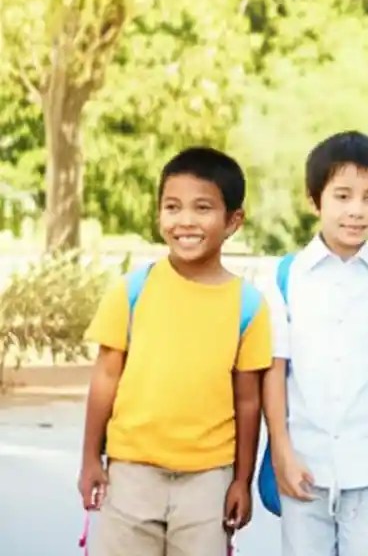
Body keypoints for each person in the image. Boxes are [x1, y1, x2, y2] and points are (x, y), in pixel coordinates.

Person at [78, 147, 272, 555]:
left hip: (208, 481)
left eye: (202, 208)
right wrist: (91, 458)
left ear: (233, 220)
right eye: (172, 207)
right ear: (159, 215)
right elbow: (105, 378)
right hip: (131, 473)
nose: (185, 220)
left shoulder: (248, 306)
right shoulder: (132, 290)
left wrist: (242, 480)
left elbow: (249, 401)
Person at [261, 131, 368, 556]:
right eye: (342, 196)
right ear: (314, 199)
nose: (356, 211)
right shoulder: (285, 277)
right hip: (305, 466)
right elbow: (275, 372)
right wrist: (282, 452)